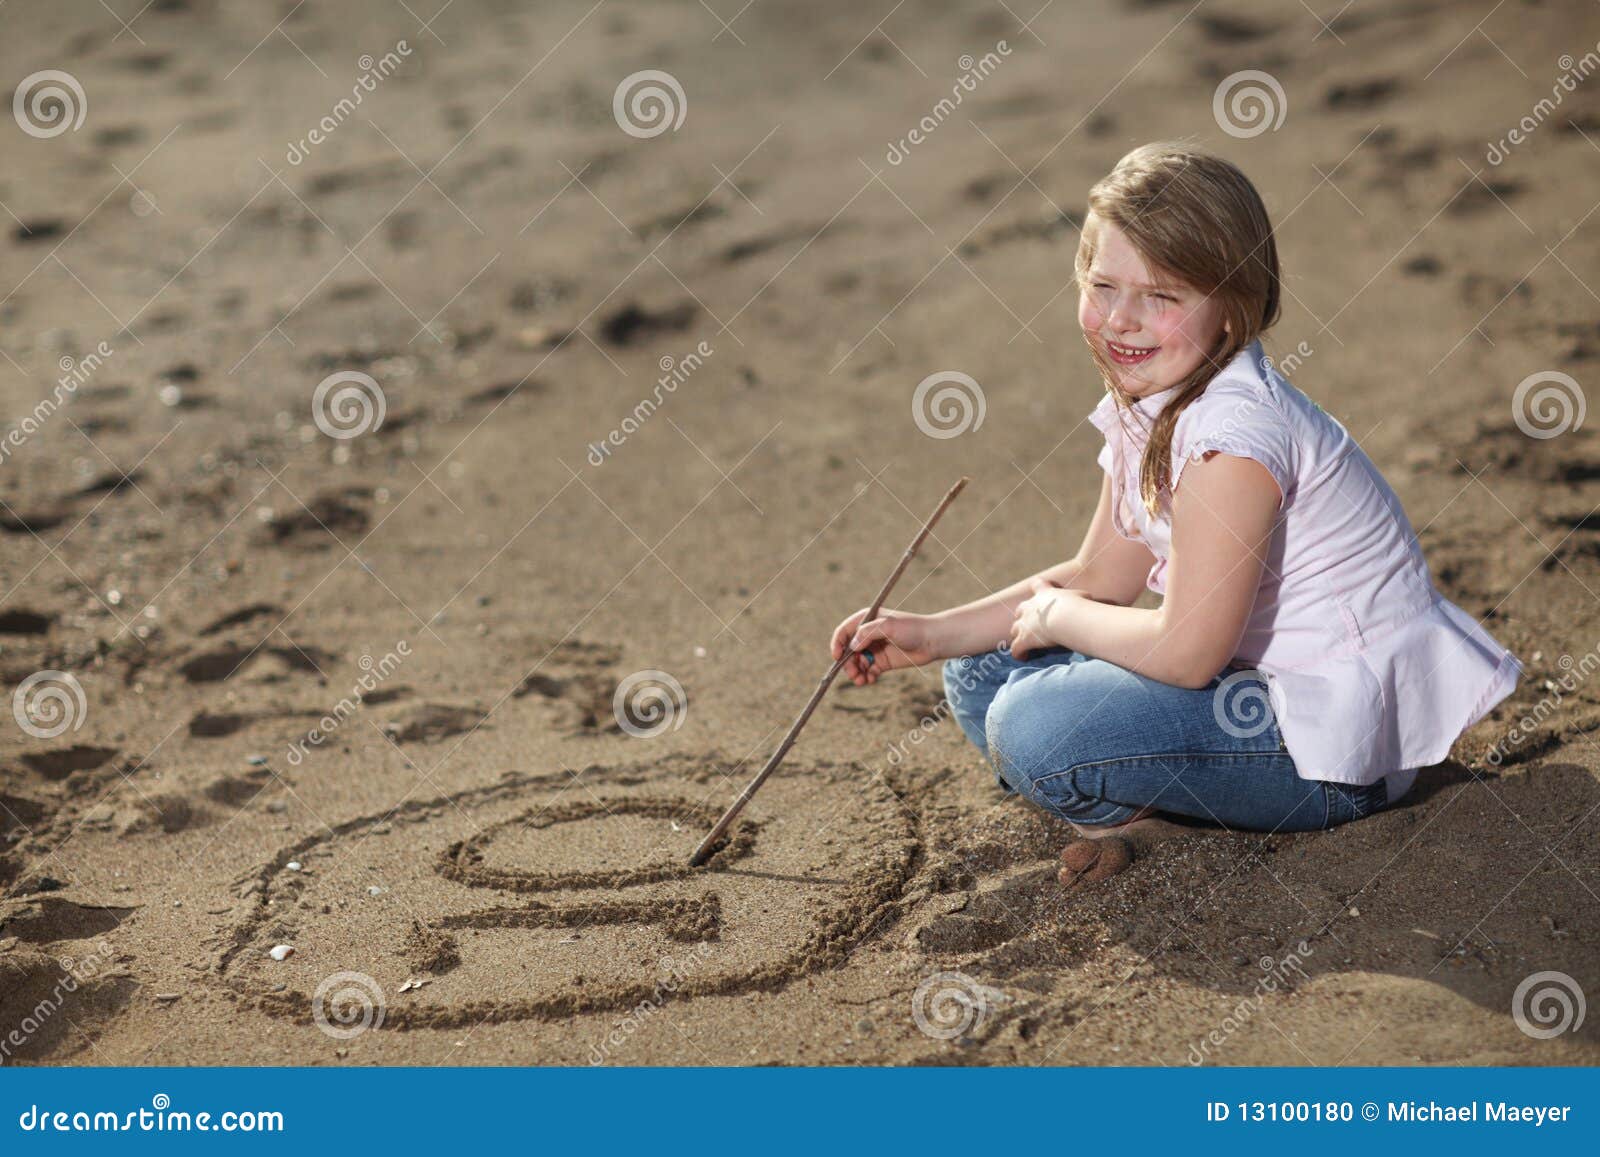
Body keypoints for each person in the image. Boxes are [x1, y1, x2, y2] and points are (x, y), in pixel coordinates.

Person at [828, 142, 1520, 881]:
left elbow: (1189, 655)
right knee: (978, 667)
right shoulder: (1152, 402)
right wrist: (930, 633)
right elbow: (1100, 573)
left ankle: (1160, 818)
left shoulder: (1236, 443)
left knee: (1028, 726)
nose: (1122, 321)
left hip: (1331, 747)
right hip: (1245, 686)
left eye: (1163, 296)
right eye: (1104, 286)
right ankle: (1154, 804)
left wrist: (1057, 619)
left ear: (1233, 307)